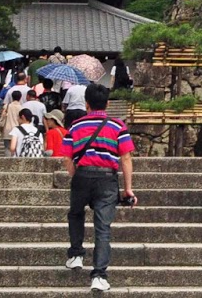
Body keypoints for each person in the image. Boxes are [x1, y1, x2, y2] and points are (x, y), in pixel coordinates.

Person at [61, 83, 136, 292]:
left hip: (82, 175)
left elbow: (66, 157)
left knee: (76, 214)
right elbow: (126, 158)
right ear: (108, 103)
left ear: (86, 104)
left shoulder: (75, 126)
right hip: (107, 179)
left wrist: (76, 175)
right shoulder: (117, 126)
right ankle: (99, 275)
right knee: (103, 227)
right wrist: (128, 189)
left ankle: (76, 255)